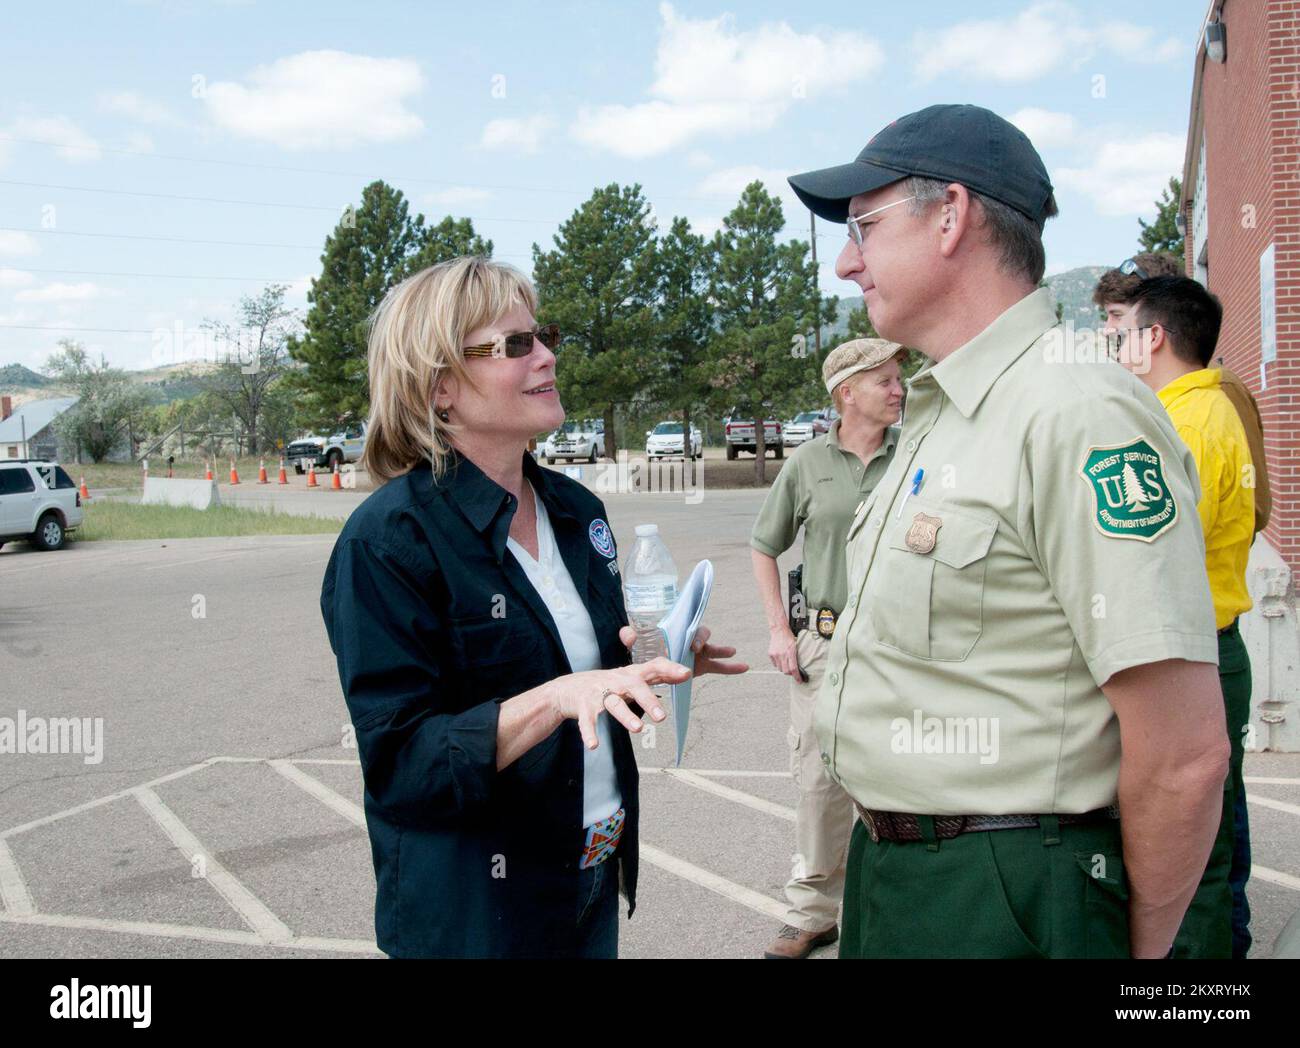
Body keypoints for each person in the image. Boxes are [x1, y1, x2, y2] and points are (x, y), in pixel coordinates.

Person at [786, 103, 1228, 959]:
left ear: (951, 215)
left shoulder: (1080, 412)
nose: (846, 262)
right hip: (895, 870)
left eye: (864, 227)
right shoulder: (941, 412)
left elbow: (1184, 754)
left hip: (1012, 888)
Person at [319, 256, 747, 958]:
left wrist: (652, 659)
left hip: (589, 876)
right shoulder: (388, 541)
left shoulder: (577, 511)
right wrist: (553, 699)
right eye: (515, 345)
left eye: (540, 335)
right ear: (441, 389)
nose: (547, 356)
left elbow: (592, 671)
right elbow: (402, 765)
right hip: (478, 916)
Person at [1113, 275, 1255, 958]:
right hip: (1217, 642)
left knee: (1188, 853)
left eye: (1121, 334)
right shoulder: (1214, 406)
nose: (1115, 347)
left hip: (1189, 651)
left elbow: (1153, 559)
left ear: (1155, 337)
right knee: (1215, 837)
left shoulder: (1181, 424)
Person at [750, 338, 904, 958]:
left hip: (898, 646)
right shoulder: (808, 462)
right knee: (818, 781)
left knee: (898, 776)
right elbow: (764, 546)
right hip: (824, 643)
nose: (899, 389)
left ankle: (891, 910)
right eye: (885, 381)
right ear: (846, 393)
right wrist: (778, 632)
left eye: (900, 379)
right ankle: (811, 913)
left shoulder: (917, 453)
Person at [1094, 252, 1271, 538]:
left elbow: (1253, 506)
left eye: (1118, 317)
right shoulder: (1163, 398)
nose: (1108, 330)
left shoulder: (1206, 405)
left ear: (1155, 329)